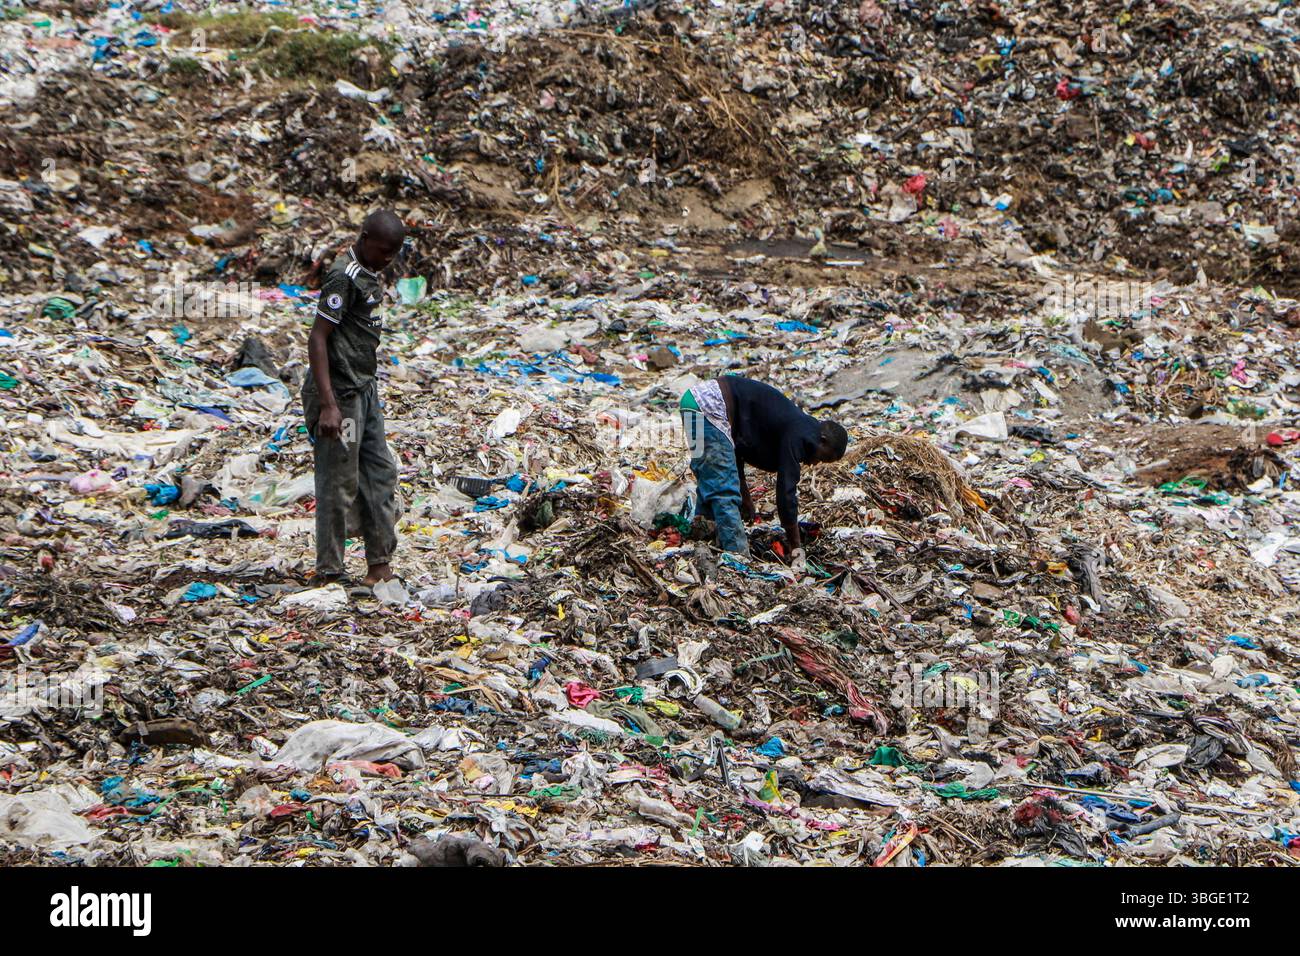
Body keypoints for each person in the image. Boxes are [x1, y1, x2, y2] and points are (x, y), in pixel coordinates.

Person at [302, 210, 406, 586]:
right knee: (338, 481)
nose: (387, 260)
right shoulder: (341, 277)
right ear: (364, 239)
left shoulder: (371, 273)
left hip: (365, 389)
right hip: (339, 395)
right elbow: (317, 338)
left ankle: (379, 565)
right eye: (382, 252)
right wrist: (328, 404)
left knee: (380, 473)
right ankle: (330, 571)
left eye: (393, 254)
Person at [679, 375, 848, 570]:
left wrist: (746, 498)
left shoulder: (796, 426)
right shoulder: (802, 434)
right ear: (823, 440)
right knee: (723, 492)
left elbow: (736, 451)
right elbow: (786, 493)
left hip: (694, 405)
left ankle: (702, 536)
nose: (815, 463)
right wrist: (796, 548)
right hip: (711, 409)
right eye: (823, 457)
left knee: (710, 477)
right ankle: (739, 561)